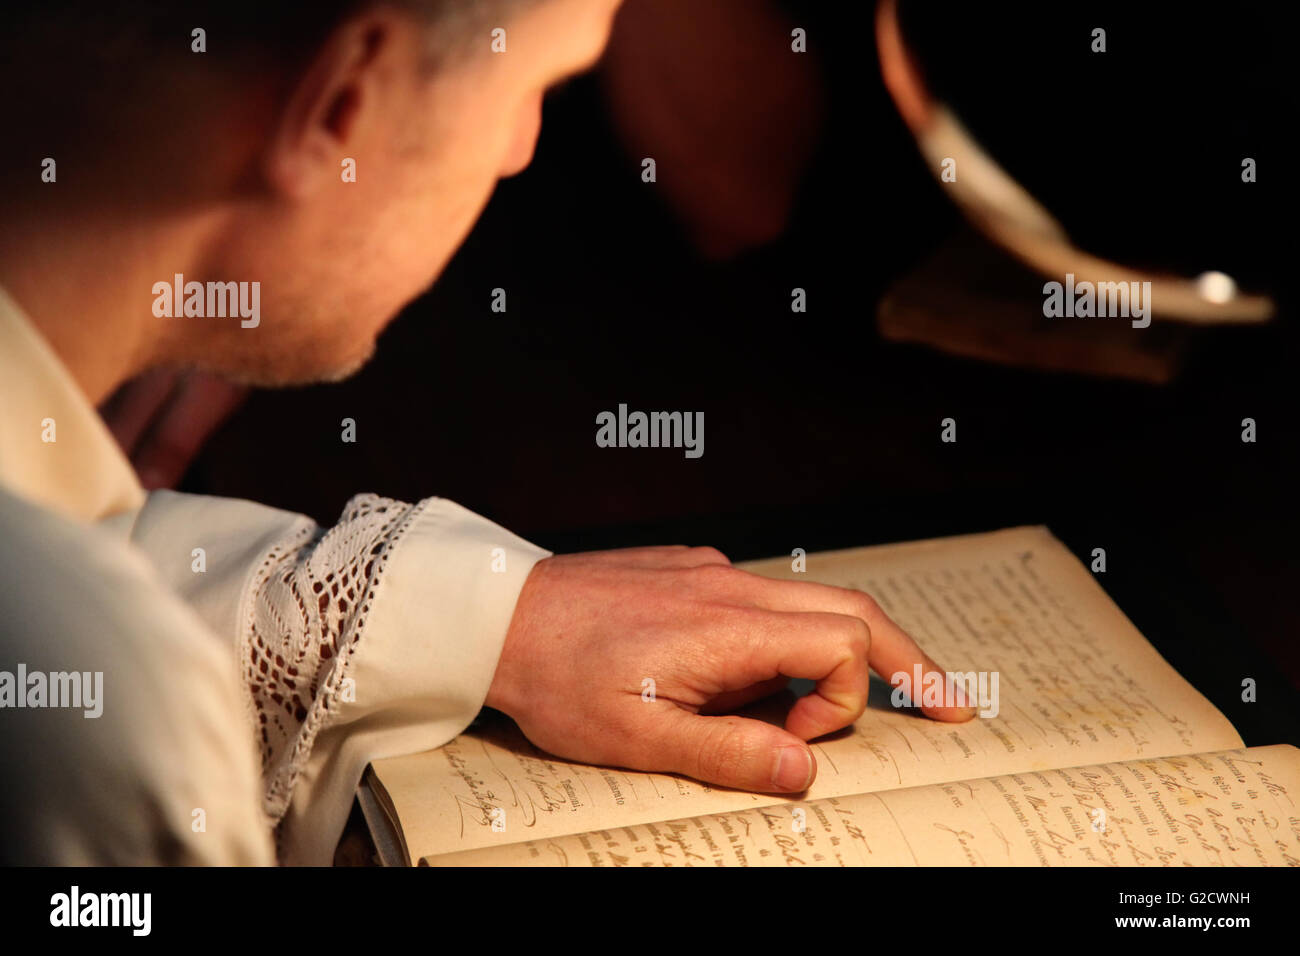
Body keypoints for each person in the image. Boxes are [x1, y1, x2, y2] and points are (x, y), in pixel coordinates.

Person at [0, 0, 974, 865]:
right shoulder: (98, 724)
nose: (518, 148)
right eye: (536, 85)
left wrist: (492, 617)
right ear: (344, 102)